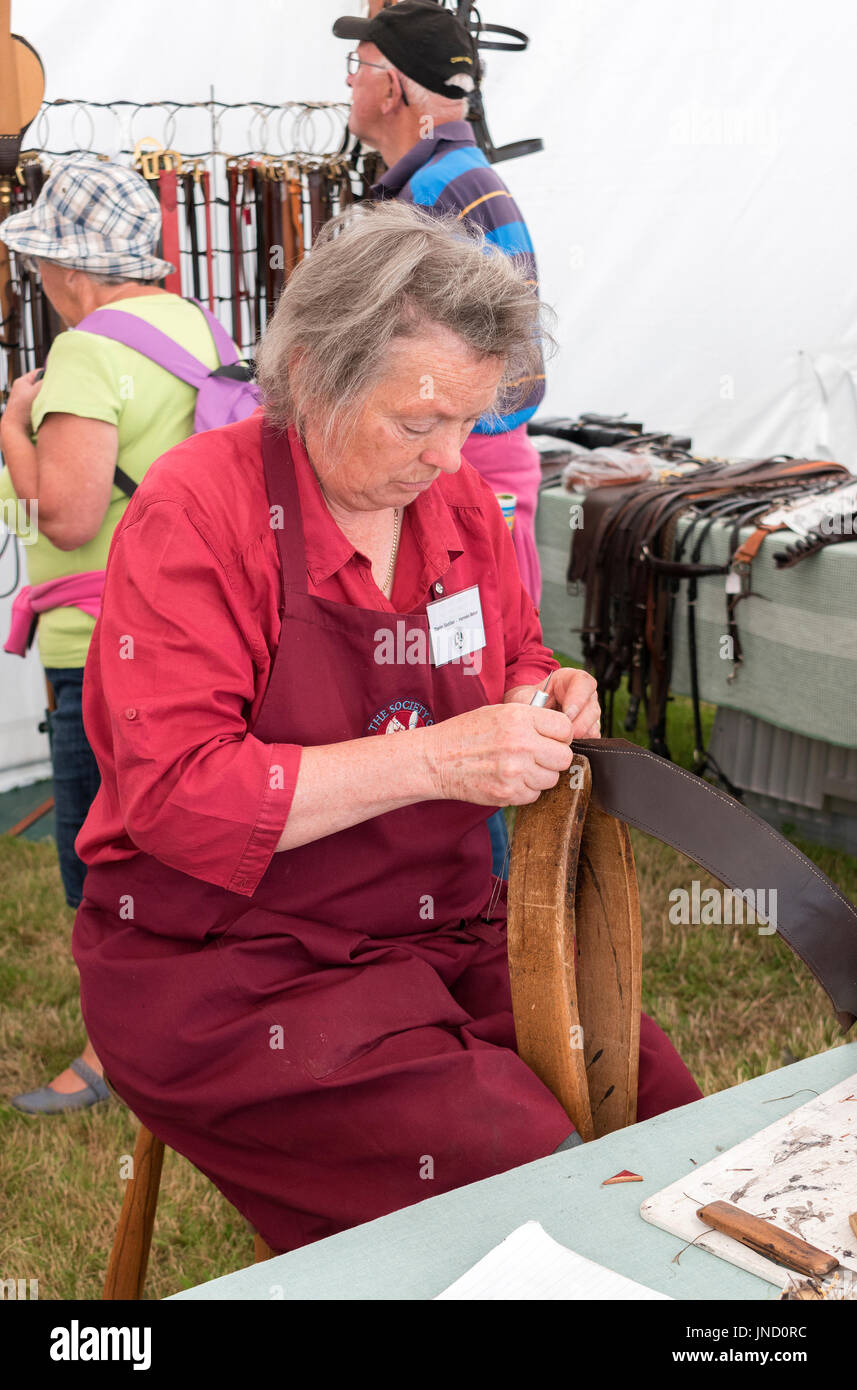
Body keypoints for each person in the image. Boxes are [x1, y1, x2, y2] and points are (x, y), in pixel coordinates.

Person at [71, 200, 701, 1254]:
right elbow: (180, 799)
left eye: (468, 422)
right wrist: (439, 758)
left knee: (662, 1116)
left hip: (445, 932)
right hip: (229, 967)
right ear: (315, 375)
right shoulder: (200, 513)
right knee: (517, 1174)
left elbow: (512, 658)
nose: (449, 458)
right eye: (418, 422)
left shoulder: (454, 512)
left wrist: (544, 693)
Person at [0, 156, 239, 1113]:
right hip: (196, 631)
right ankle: (210, 1019)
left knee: (100, 857)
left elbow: (62, 515)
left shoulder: (88, 350)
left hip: (101, 645)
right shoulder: (201, 326)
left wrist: (15, 426)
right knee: (183, 837)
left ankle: (117, 1055)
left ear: (70, 268)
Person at [334, 0, 547, 605]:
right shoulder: (456, 176)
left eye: (360, 64)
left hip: (461, 465)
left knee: (475, 669)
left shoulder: (433, 191)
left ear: (393, 89)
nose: (351, 79)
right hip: (471, 459)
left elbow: (412, 359)